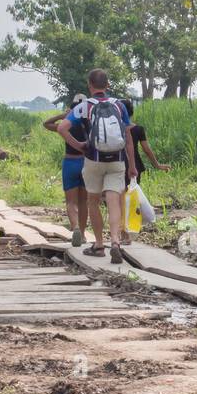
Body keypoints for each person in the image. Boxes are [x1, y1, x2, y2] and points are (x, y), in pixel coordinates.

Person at [58, 69, 136, 264]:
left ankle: (99, 245)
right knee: (113, 200)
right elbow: (128, 138)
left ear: (90, 85)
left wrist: (80, 145)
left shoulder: (84, 106)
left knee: (93, 201)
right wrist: (131, 165)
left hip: (94, 159)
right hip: (117, 159)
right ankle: (116, 242)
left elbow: (61, 128)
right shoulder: (119, 105)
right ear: (107, 85)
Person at [120, 103, 170, 244]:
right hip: (135, 167)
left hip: (118, 165)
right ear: (132, 112)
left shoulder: (116, 129)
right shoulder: (138, 129)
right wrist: (157, 165)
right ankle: (130, 232)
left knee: (121, 200)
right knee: (132, 200)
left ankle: (124, 234)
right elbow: (147, 150)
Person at [44, 93, 89, 246]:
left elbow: (46, 124)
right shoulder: (89, 122)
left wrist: (64, 115)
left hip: (70, 162)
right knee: (84, 202)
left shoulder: (67, 124)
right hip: (86, 163)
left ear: (72, 107)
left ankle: (75, 227)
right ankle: (82, 235)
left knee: (71, 202)